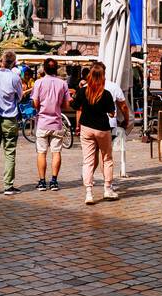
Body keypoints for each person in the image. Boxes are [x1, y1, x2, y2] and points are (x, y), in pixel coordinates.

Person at [75, 62, 117, 205]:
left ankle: (89, 193)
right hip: (102, 129)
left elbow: (74, 105)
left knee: (88, 160)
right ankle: (107, 188)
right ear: (103, 76)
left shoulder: (83, 91)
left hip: (86, 127)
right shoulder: (106, 94)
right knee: (107, 158)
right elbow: (112, 113)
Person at [0, 50, 26, 195]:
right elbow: (20, 97)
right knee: (9, 152)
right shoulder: (15, 78)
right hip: (10, 118)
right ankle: (8, 186)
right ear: (14, 63)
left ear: (1, 60)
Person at [30, 58, 70, 191]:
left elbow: (35, 103)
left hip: (42, 122)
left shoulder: (39, 82)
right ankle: (54, 181)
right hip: (57, 122)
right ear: (56, 69)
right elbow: (66, 104)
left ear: (44, 69)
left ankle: (42, 182)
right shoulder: (63, 83)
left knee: (41, 152)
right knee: (56, 152)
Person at [106, 74, 131, 180]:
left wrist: (78, 125)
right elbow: (123, 106)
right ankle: (107, 185)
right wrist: (126, 120)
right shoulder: (112, 86)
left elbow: (80, 108)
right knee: (106, 156)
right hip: (109, 125)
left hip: (88, 125)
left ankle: (88, 183)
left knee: (90, 157)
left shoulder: (86, 86)